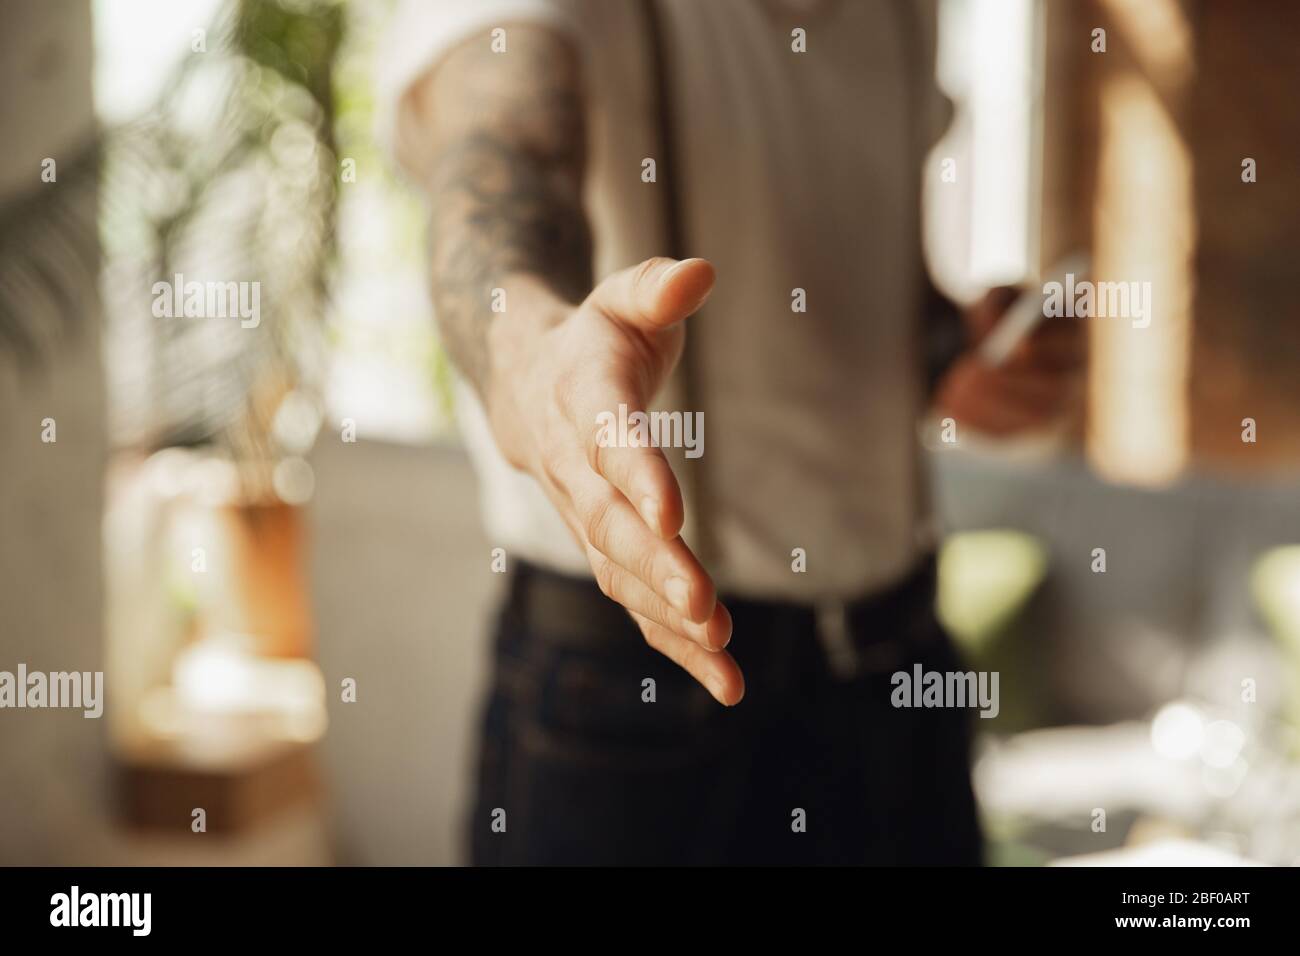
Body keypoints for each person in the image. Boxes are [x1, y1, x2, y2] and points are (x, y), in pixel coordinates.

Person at [383, 0, 1083, 864]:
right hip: (633, 692)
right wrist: (528, 349)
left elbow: (865, 289)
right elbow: (501, 155)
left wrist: (966, 354)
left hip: (898, 666)